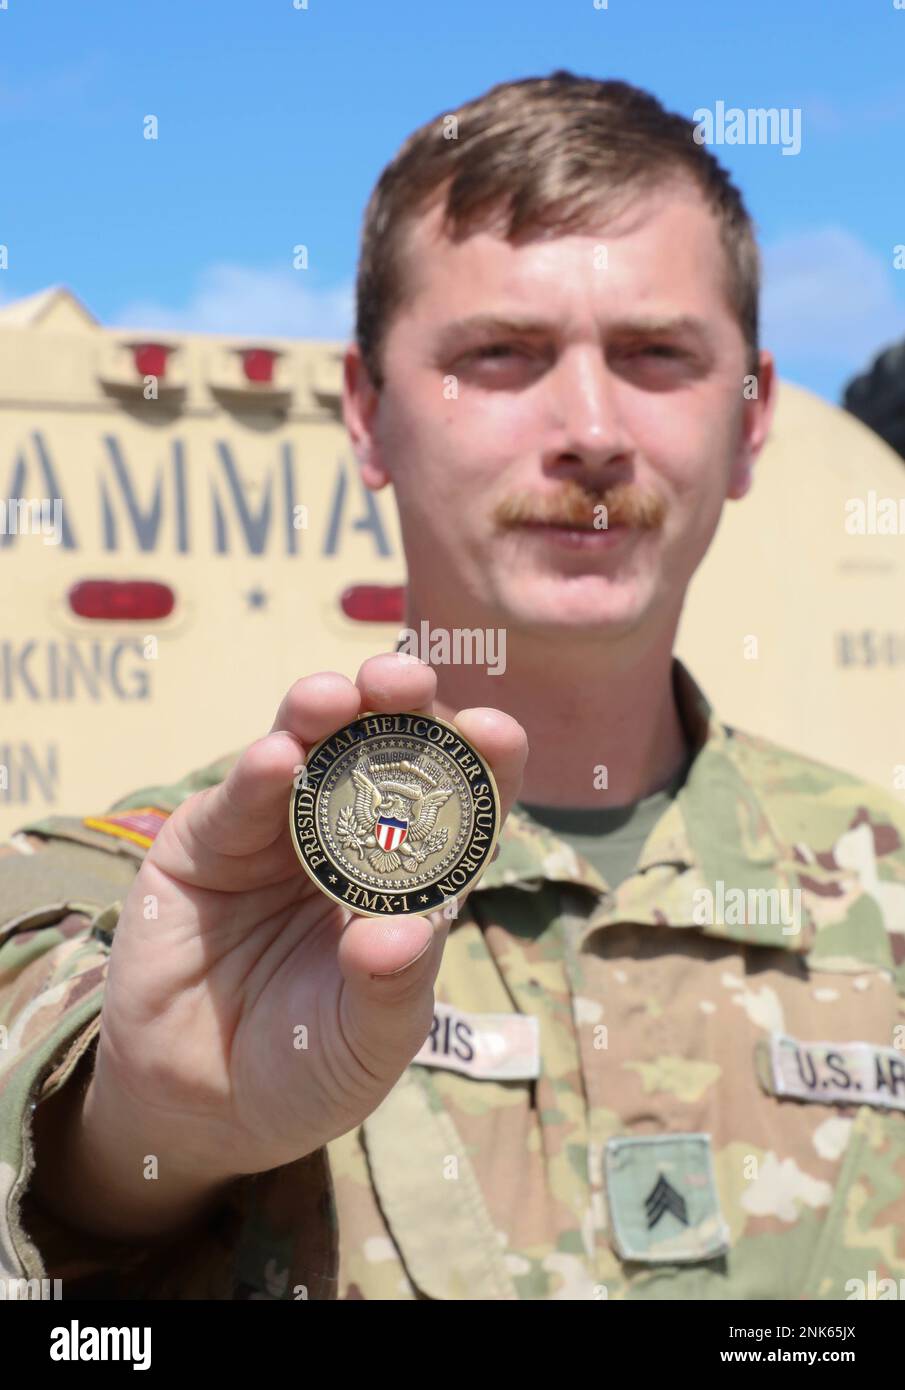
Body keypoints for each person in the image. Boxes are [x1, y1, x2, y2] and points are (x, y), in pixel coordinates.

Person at [2, 70, 904, 1303]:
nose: (591, 427)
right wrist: (140, 1146)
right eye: (500, 354)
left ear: (749, 423)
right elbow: (49, 1062)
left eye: (654, 354)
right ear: (367, 416)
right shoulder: (181, 894)